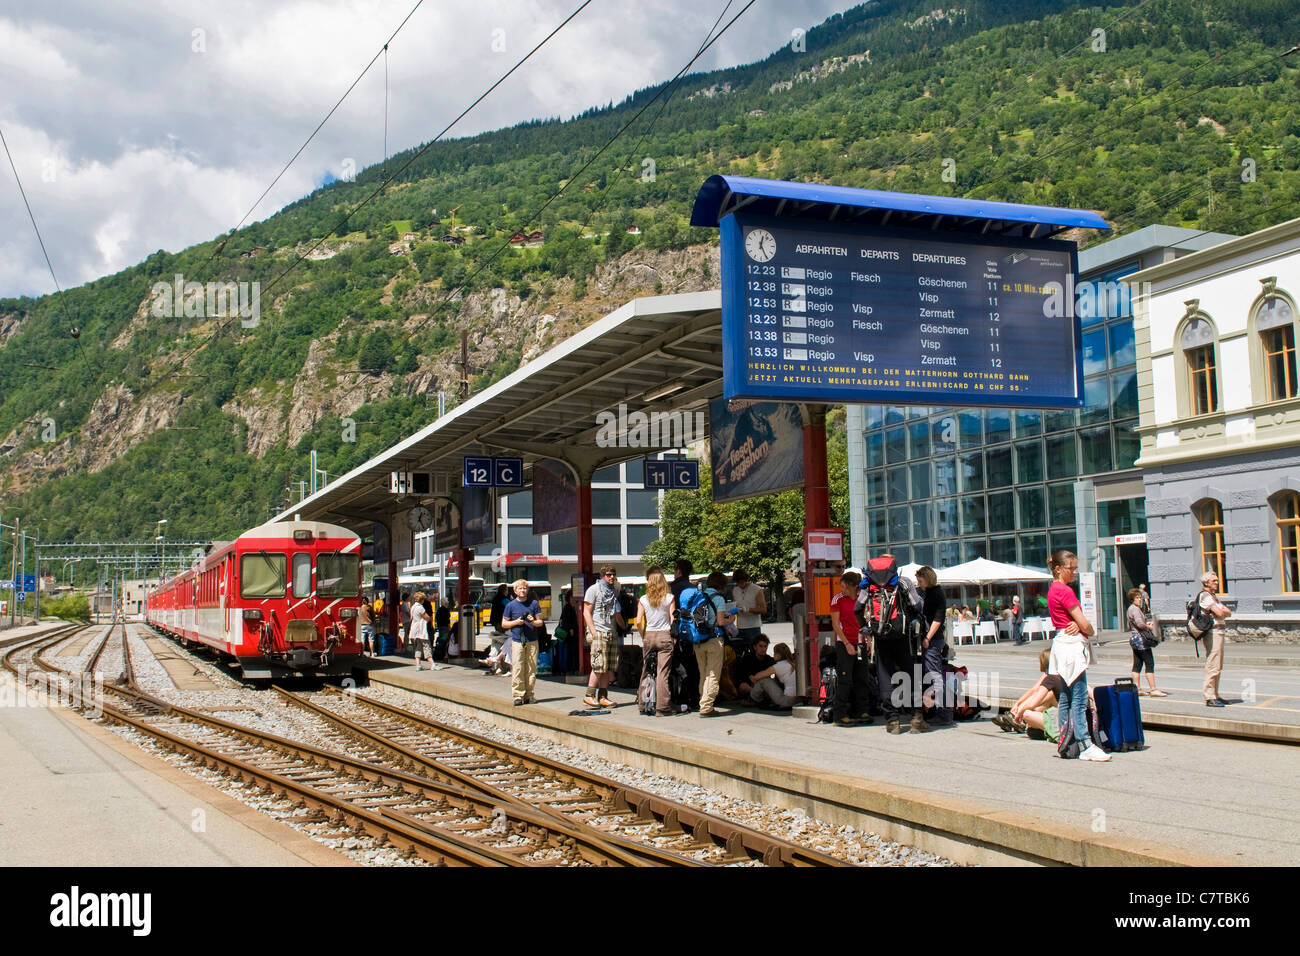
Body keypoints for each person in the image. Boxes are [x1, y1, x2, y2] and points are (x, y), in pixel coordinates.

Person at [1046, 550, 1110, 761]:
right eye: (1070, 568)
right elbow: (1085, 625)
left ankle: (1067, 742)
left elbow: (1070, 620)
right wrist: (1087, 629)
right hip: (1072, 646)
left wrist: (1076, 624)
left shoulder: (1053, 588)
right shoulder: (1065, 590)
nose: (1074, 572)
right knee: (1079, 696)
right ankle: (1085, 745)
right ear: (1058, 568)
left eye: (1075, 568)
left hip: (1061, 642)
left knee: (1065, 697)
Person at [830, 570, 872, 728]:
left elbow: (867, 620)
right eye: (841, 587)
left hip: (860, 641)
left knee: (862, 677)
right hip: (844, 642)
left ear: (855, 587)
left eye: (846, 587)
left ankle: (861, 710)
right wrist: (847, 644)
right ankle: (840, 714)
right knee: (845, 678)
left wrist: (868, 639)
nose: (843, 590)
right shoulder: (838, 599)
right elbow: (836, 624)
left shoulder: (863, 598)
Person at [636, 567, 677, 717]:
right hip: (665, 635)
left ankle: (642, 705)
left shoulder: (643, 599)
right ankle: (662, 707)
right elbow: (673, 620)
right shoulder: (669, 598)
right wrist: (673, 636)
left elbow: (639, 621)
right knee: (662, 672)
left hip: (649, 635)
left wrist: (643, 635)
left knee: (646, 671)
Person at [915, 566, 951, 726]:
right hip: (934, 638)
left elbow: (938, 619)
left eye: (920, 580)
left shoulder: (935, 594)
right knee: (932, 674)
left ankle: (944, 713)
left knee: (934, 674)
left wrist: (927, 637)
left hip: (933, 639)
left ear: (927, 579)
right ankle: (938, 710)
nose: (919, 583)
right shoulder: (932, 592)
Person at [693, 571, 732, 716]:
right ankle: (707, 706)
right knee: (713, 673)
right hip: (714, 639)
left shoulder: (698, 596)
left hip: (698, 639)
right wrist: (731, 618)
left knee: (703, 672)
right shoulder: (719, 598)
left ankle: (702, 700)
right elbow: (721, 621)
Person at [583, 565, 621, 708]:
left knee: (607, 666)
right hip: (598, 630)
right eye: (608, 575)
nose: (611, 577)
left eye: (613, 574)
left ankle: (603, 696)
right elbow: (586, 611)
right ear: (602, 576)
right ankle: (589, 695)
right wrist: (593, 631)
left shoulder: (613, 591)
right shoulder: (593, 590)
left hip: (610, 630)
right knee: (598, 665)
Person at [503, 579, 542, 706]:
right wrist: (516, 622)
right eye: (520, 588)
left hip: (532, 640)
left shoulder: (534, 603)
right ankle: (518, 695)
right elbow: (504, 623)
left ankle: (529, 694)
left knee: (531, 669)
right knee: (518, 667)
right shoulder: (510, 605)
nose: (522, 590)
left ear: (527, 590)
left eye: (524, 588)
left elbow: (540, 622)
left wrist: (531, 621)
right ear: (515, 591)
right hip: (518, 640)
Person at [1198, 570, 1232, 707]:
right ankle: (1209, 696)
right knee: (1212, 664)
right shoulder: (1205, 596)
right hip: (1213, 633)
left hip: (1219, 632)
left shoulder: (1213, 597)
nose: (1217, 583)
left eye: (1217, 580)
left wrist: (1221, 612)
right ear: (1206, 582)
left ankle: (1215, 694)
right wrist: (1221, 612)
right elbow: (1220, 612)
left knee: (1217, 665)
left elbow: (1227, 612)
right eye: (1214, 581)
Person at [1126, 587, 1166, 697]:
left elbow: (1130, 625)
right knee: (1149, 663)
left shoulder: (1130, 609)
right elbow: (1140, 624)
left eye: (1140, 598)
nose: (1140, 600)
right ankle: (1153, 689)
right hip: (1141, 639)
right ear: (1132, 599)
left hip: (1134, 638)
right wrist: (1148, 627)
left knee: (1137, 664)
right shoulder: (1135, 610)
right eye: (1137, 598)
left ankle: (1137, 688)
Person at [751, 641, 797, 709]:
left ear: (779, 655)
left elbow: (757, 677)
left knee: (764, 680)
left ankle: (754, 699)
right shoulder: (791, 663)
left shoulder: (778, 666)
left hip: (787, 701)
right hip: (797, 700)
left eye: (774, 653)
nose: (773, 655)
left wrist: (754, 679)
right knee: (773, 680)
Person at [730, 570, 767, 648]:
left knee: (754, 651)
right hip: (740, 627)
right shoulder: (735, 590)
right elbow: (734, 606)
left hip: (753, 627)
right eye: (738, 583)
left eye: (742, 582)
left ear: (746, 580)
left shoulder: (756, 589)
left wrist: (747, 609)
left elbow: (763, 609)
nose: (740, 585)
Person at [732, 634, 775, 700]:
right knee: (743, 687)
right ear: (755, 647)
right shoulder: (747, 659)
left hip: (763, 685)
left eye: (765, 646)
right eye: (760, 646)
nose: (763, 649)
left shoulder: (769, 659)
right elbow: (740, 675)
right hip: (749, 686)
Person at [409, 591, 432, 671]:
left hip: (414, 629)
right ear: (422, 600)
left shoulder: (413, 607)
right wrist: (430, 619)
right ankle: (432, 664)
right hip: (421, 629)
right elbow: (426, 617)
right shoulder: (420, 607)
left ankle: (418, 665)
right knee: (426, 646)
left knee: (418, 647)